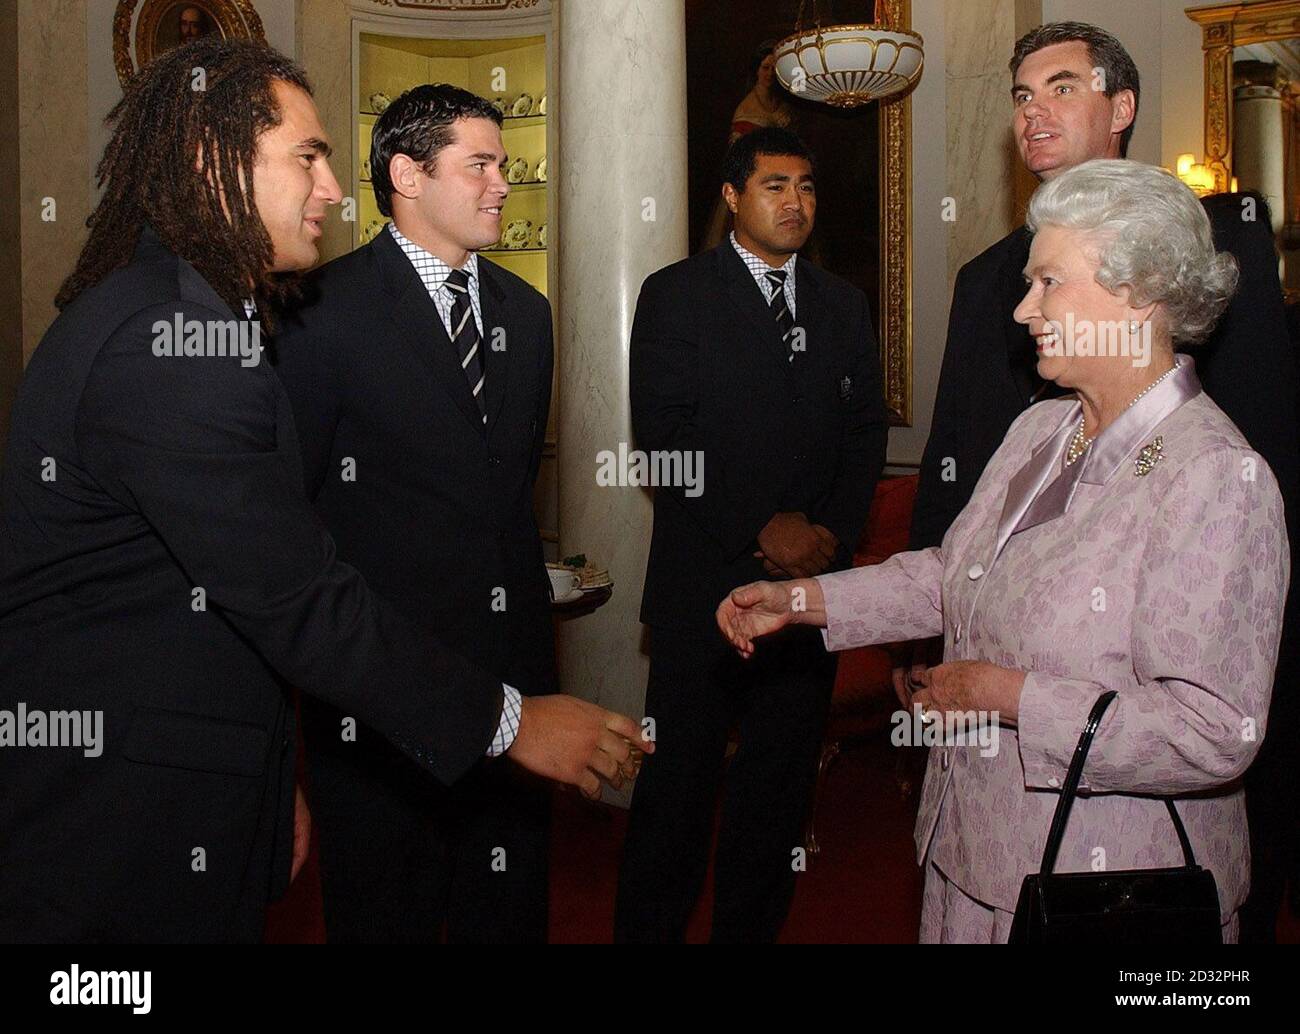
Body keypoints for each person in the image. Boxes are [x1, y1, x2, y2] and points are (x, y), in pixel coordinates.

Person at [0, 38, 647, 944]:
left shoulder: (180, 312)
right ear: (210, 160)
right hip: (125, 820)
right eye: (308, 155)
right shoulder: (171, 343)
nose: (335, 189)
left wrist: (270, 778)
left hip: (185, 788)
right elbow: (297, 592)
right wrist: (510, 721)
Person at [720, 159, 1290, 943]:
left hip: (1113, 888)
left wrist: (1010, 696)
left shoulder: (1216, 475)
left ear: (1140, 292)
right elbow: (956, 571)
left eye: (1049, 283)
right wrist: (805, 601)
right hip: (973, 854)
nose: (1025, 310)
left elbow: (1211, 732)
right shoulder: (1040, 428)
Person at [906, 21, 1300, 939]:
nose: (1034, 111)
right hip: (991, 686)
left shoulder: (1204, 244)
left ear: (1122, 108)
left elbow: (1260, 462)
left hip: (1163, 664)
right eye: (1020, 95)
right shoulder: (984, 278)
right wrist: (924, 634)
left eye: (1062, 87)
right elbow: (956, 458)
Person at [272, 84, 564, 943]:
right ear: (407, 172)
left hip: (513, 688)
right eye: (479, 165)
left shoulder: (528, 315)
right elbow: (293, 521)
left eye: (503, 166)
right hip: (378, 707)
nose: (502, 185)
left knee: (505, 914)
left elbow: (507, 507)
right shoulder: (317, 311)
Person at [617, 126, 889, 942]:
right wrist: (758, 527)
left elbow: (865, 432)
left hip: (807, 597)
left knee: (774, 799)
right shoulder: (676, 293)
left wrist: (829, 536)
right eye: (775, 186)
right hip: (703, 590)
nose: (795, 202)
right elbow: (661, 441)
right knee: (676, 797)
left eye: (806, 186)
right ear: (733, 197)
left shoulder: (843, 303)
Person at [700, 41, 795, 251]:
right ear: (757, 70)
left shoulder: (782, 105)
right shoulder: (747, 108)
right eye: (765, 68)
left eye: (774, 68)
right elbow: (738, 156)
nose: (770, 73)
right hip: (756, 184)